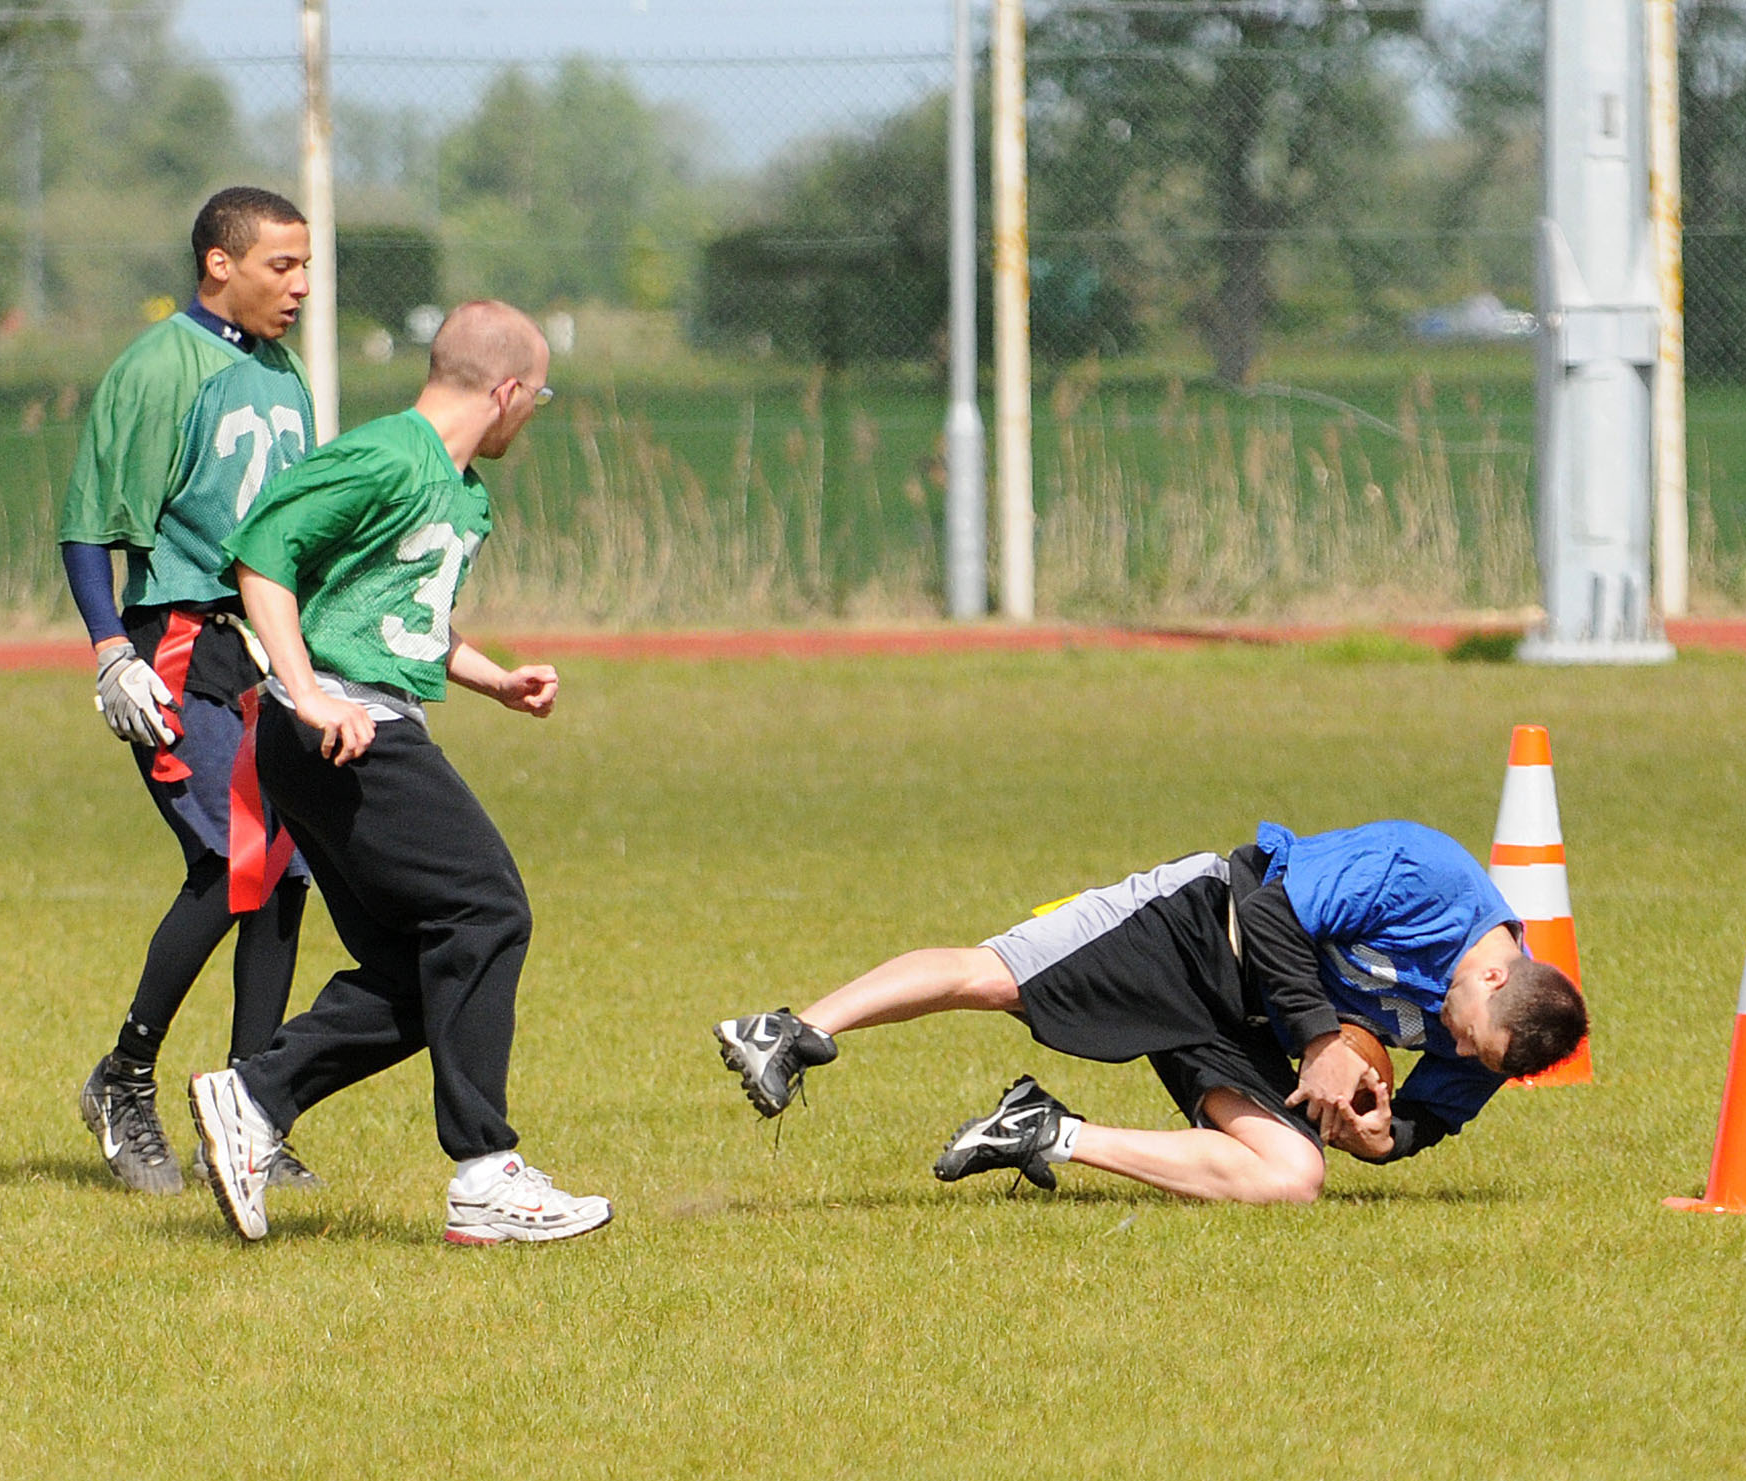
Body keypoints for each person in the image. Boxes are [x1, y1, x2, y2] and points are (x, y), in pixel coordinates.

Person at [187, 299, 612, 1247]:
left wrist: (495, 678)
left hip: (359, 718)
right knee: (487, 909)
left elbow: (397, 610)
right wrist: (305, 693)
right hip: (341, 725)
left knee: (418, 971)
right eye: (535, 397)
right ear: (505, 390)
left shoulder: (463, 492)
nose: (532, 414)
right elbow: (262, 560)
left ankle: (253, 1099)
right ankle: (487, 1174)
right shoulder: (385, 455)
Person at [714, 819, 1587, 1205]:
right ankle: (794, 1030)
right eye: (1463, 1030)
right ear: (1492, 976)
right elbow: (1276, 911)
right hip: (1202, 928)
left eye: (1473, 1054)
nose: (1453, 1043)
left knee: (1294, 1176)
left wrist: (1381, 1140)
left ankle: (1044, 1131)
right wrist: (1322, 1041)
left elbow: (1429, 1119)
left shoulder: (1497, 1044)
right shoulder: (1425, 873)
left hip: (1250, 1026)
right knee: (996, 979)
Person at [57, 186, 322, 1196]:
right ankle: (123, 1080)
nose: (297, 287)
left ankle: (247, 1114)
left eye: (304, 267)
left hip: (263, 647)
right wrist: (107, 650)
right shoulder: (162, 364)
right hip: (176, 639)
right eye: (279, 267)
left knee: (285, 871)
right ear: (219, 263)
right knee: (230, 858)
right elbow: (89, 519)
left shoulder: (279, 369)